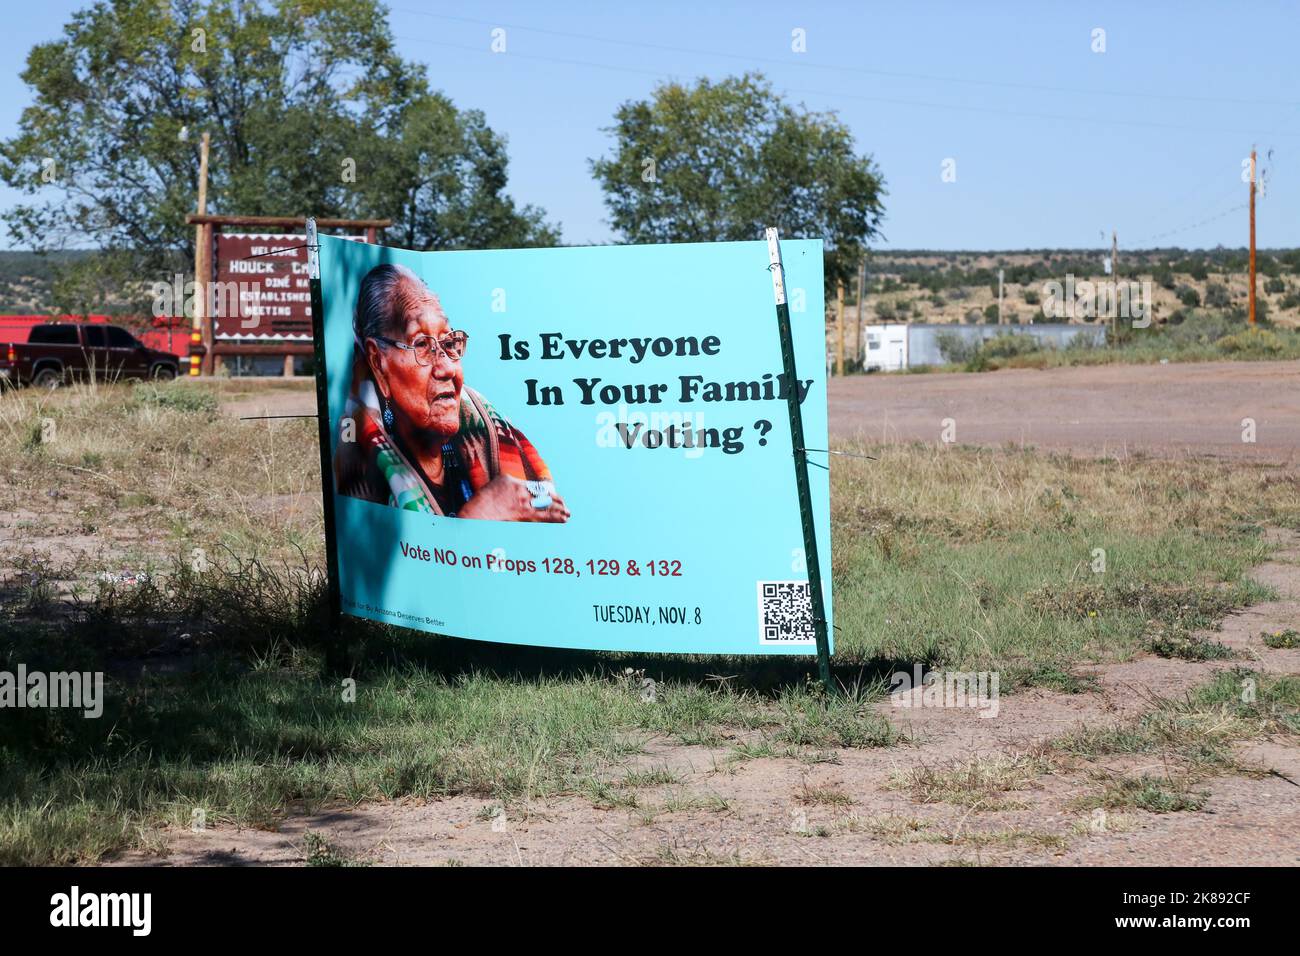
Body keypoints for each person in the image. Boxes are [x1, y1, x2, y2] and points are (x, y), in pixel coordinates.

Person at [334, 263, 568, 521]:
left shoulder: (484, 423)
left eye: (448, 342)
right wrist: (479, 516)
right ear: (378, 362)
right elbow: (394, 557)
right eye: (421, 344)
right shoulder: (359, 458)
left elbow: (552, 517)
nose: (446, 368)